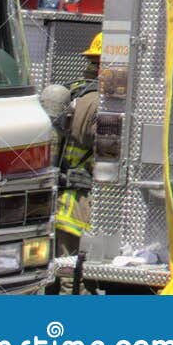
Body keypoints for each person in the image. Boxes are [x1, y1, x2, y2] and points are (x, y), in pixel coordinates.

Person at [53, 33, 103, 256]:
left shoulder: (74, 91)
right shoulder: (98, 102)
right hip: (79, 206)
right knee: (73, 280)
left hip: (60, 203)